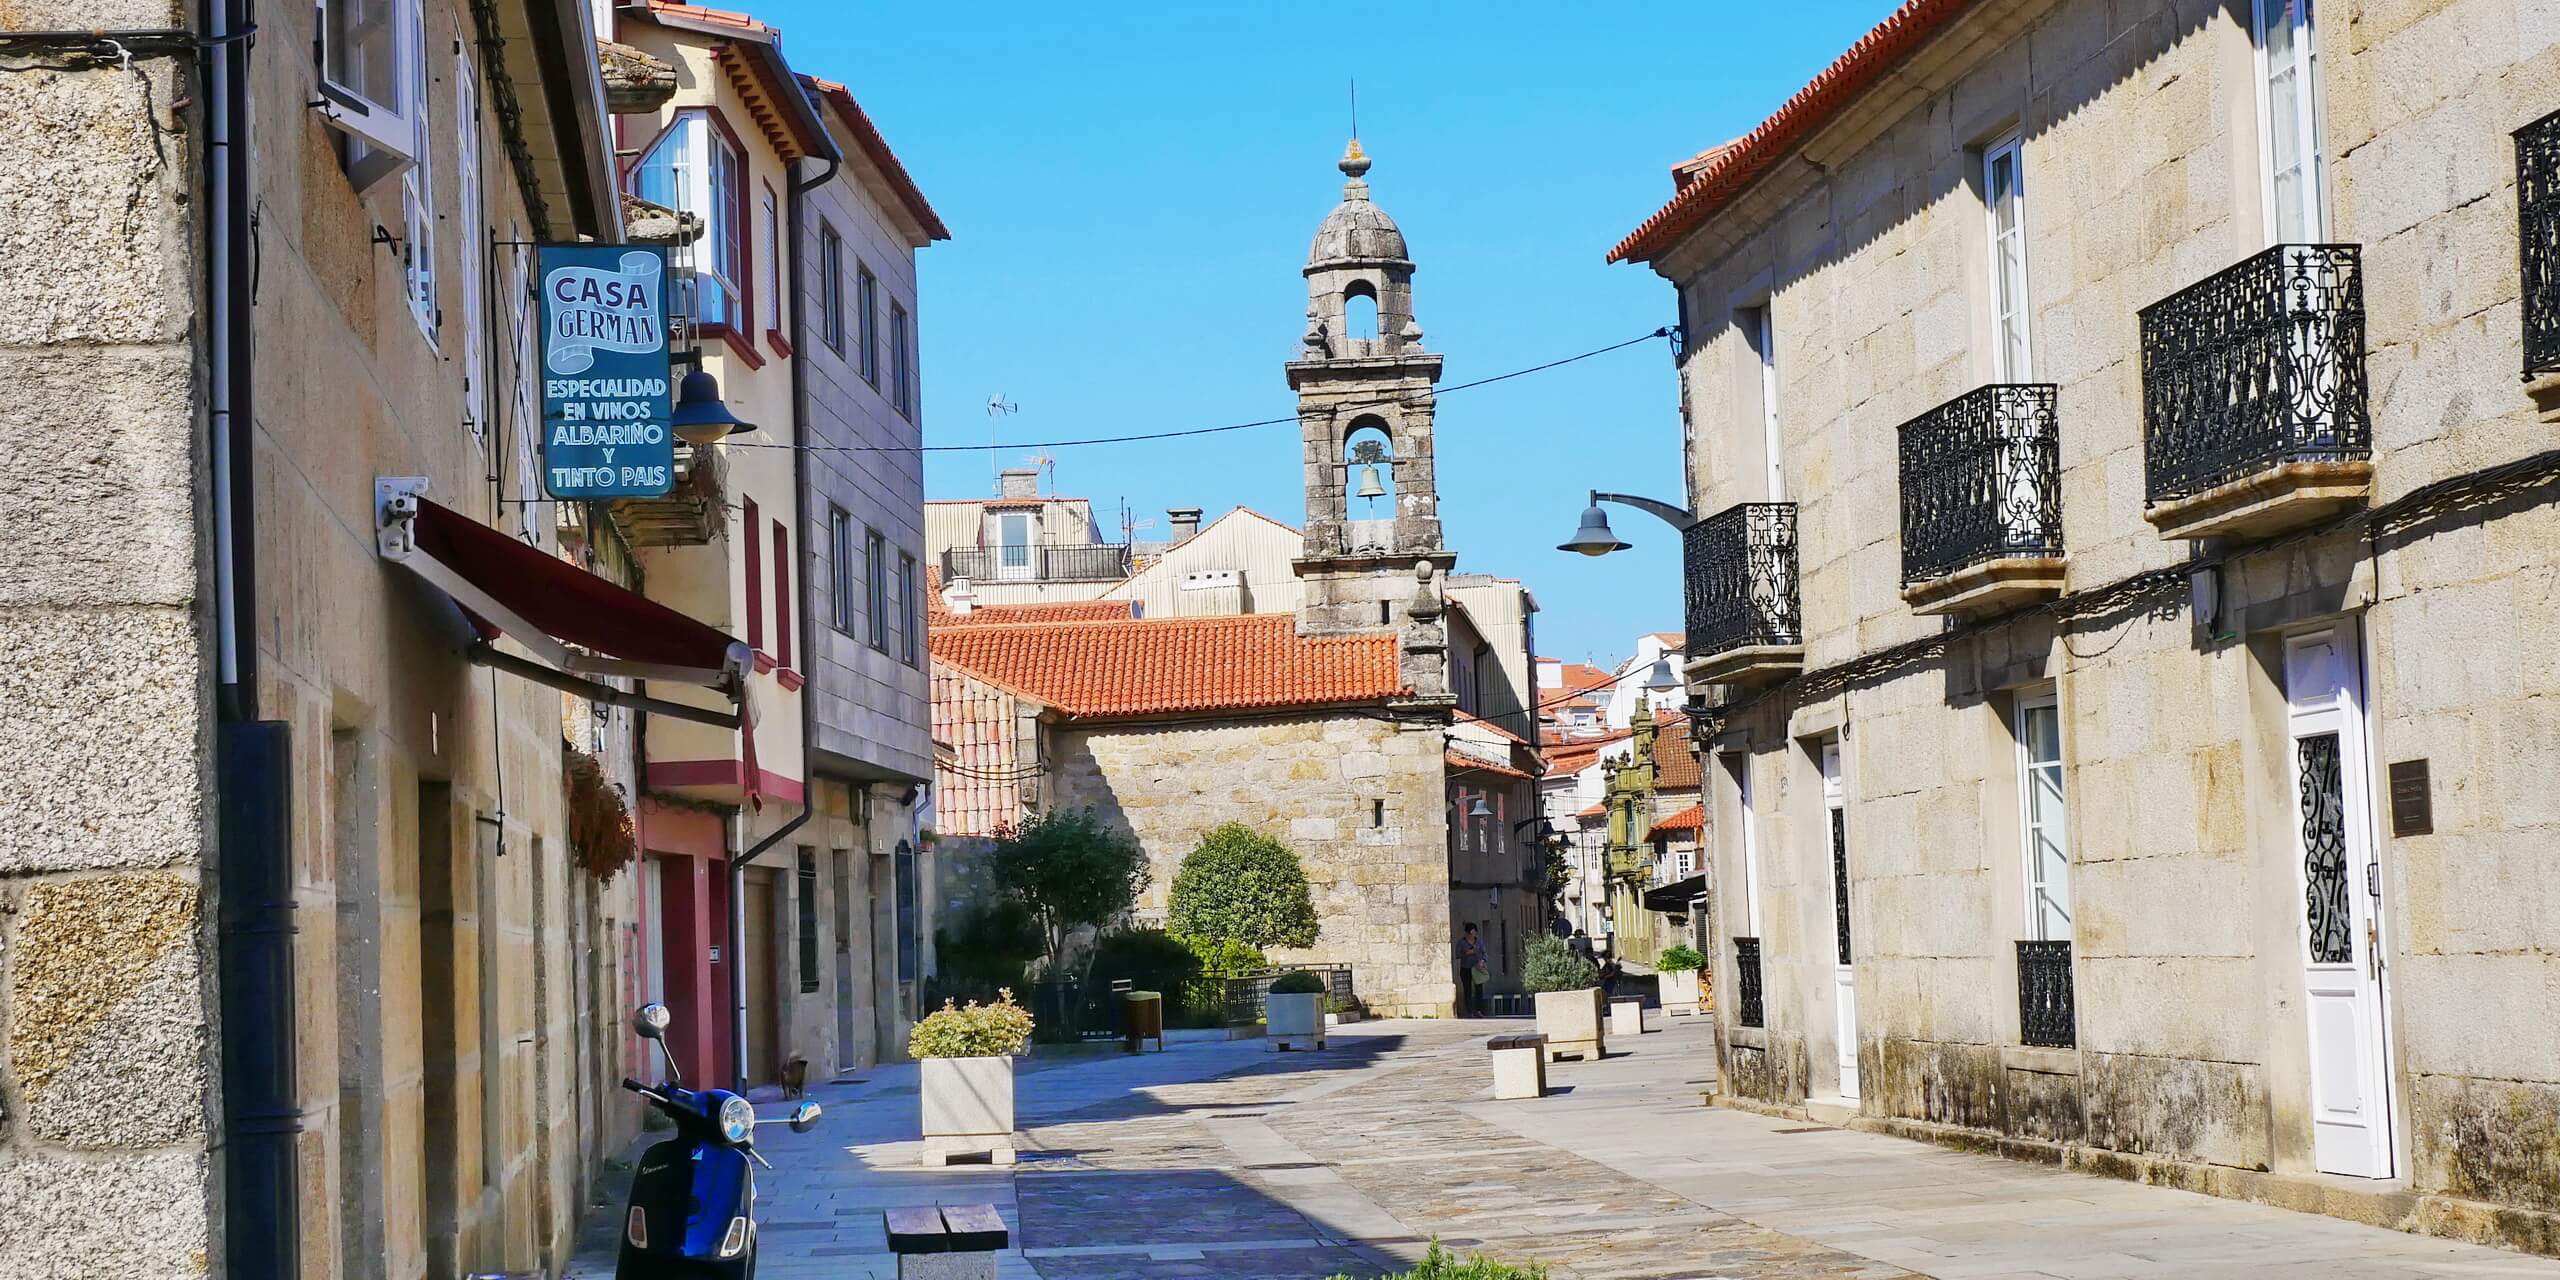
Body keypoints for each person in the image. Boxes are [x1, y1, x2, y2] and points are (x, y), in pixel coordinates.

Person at [1456, 923, 1489, 1018]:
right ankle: (1469, 1011)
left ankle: (1479, 1010)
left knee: (1479, 989)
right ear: (1467, 933)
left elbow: (1485, 953)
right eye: (1471, 933)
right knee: (1467, 990)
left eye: (1474, 933)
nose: (1473, 935)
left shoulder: (1479, 942)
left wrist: (1482, 961)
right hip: (1466, 968)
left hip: (1477, 968)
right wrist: (1467, 953)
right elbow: (1457, 955)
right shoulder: (1461, 943)